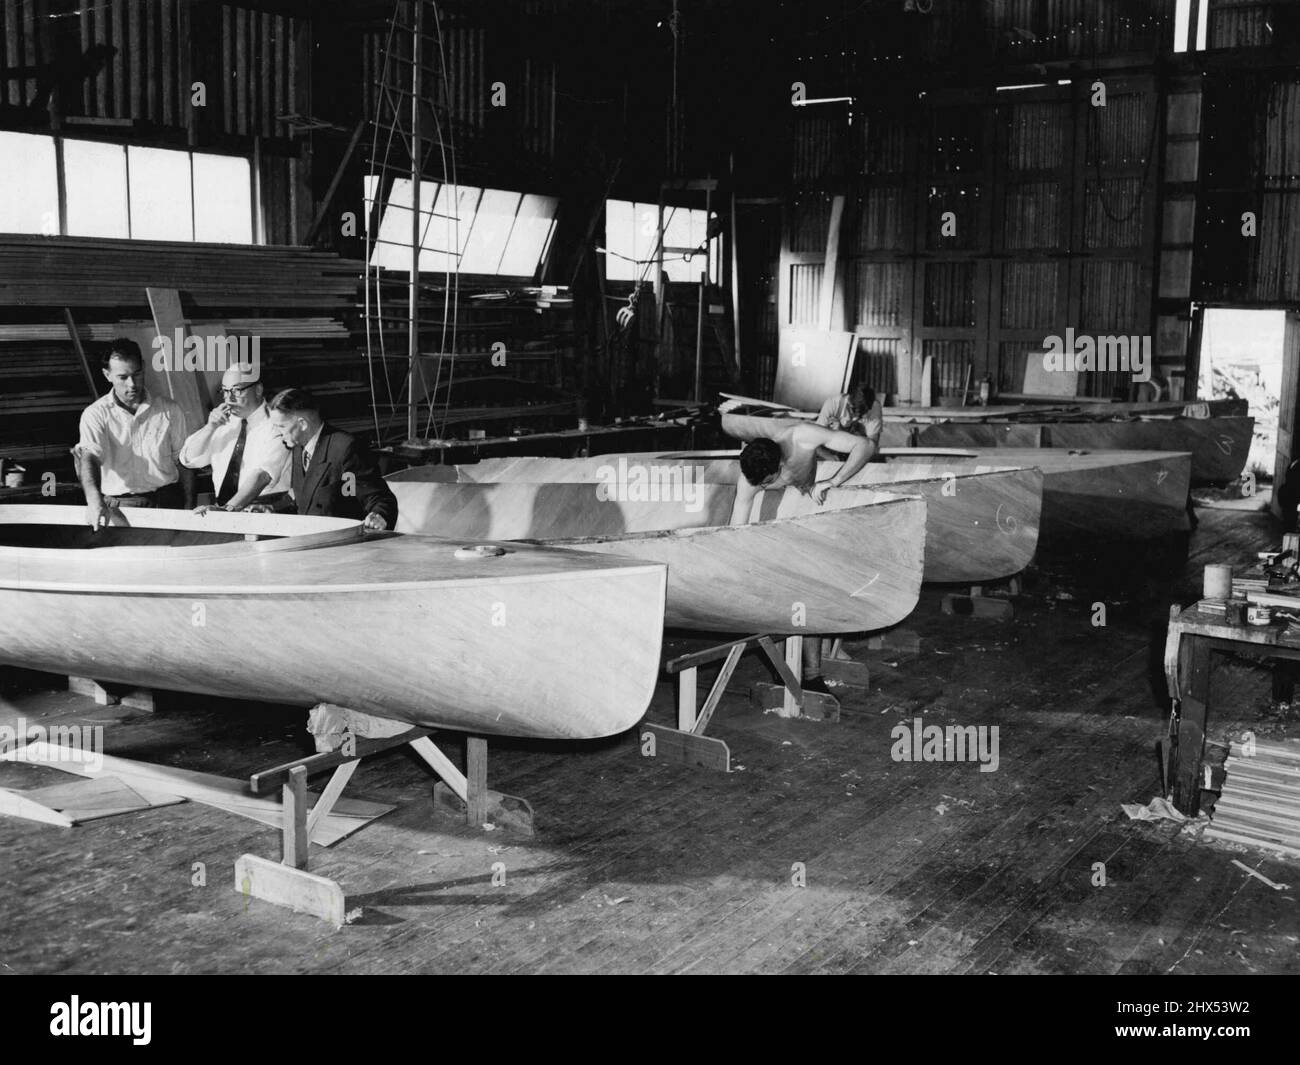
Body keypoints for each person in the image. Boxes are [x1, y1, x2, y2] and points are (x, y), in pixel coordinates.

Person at [729, 423, 876, 695]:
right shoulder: (749, 479)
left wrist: (834, 481)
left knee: (815, 595)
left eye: (766, 482)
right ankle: (782, 671)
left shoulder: (801, 438)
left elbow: (865, 445)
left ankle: (811, 675)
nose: (761, 486)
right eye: (758, 484)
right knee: (777, 595)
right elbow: (737, 530)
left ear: (780, 464)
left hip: (811, 517)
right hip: (780, 530)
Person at [74, 338, 194, 530]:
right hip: (122, 509)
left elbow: (184, 461)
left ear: (144, 367)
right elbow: (89, 458)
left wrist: (189, 507)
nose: (132, 384)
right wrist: (94, 500)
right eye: (123, 377)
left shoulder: (169, 410)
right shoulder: (96, 415)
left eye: (137, 374)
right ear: (107, 375)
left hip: (169, 503)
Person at [266, 388, 397, 531]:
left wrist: (378, 516)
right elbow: (303, 502)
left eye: (281, 426)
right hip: (310, 542)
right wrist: (271, 510)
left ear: (302, 424)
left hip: (343, 545)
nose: (278, 433)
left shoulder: (345, 448)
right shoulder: (299, 448)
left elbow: (379, 498)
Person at [180, 363, 291, 514]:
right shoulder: (223, 423)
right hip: (225, 508)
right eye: (225, 391)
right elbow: (189, 459)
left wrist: (228, 509)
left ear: (258, 390)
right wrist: (210, 428)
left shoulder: (276, 423)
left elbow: (263, 476)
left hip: (262, 510)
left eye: (237, 390)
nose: (229, 399)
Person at [815, 382, 883, 461]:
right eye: (855, 413)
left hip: (857, 450)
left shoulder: (874, 407)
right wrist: (828, 457)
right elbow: (815, 440)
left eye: (862, 415)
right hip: (831, 450)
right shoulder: (832, 404)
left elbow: (872, 445)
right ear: (849, 404)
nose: (856, 418)